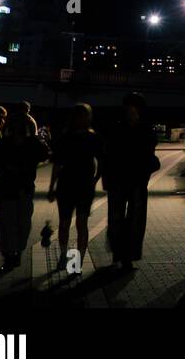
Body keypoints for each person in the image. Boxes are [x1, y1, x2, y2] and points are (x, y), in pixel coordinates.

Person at [102, 92, 159, 271]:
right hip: (134, 181)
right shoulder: (145, 130)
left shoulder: (118, 128)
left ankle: (121, 255)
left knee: (121, 218)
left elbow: (108, 155)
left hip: (126, 180)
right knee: (131, 219)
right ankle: (126, 255)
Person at [47, 103, 103, 270]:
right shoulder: (66, 137)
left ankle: (76, 261)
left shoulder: (92, 137)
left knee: (81, 222)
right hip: (68, 184)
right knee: (65, 222)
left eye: (84, 115)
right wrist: (51, 186)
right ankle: (65, 257)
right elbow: (57, 163)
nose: (82, 119)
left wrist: (96, 179)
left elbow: (101, 160)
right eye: (79, 115)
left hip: (83, 184)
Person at [0, 112, 49, 271]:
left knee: (20, 222)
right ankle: (10, 254)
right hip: (11, 188)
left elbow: (44, 154)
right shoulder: (6, 143)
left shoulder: (31, 143)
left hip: (22, 187)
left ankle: (15, 251)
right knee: (10, 223)